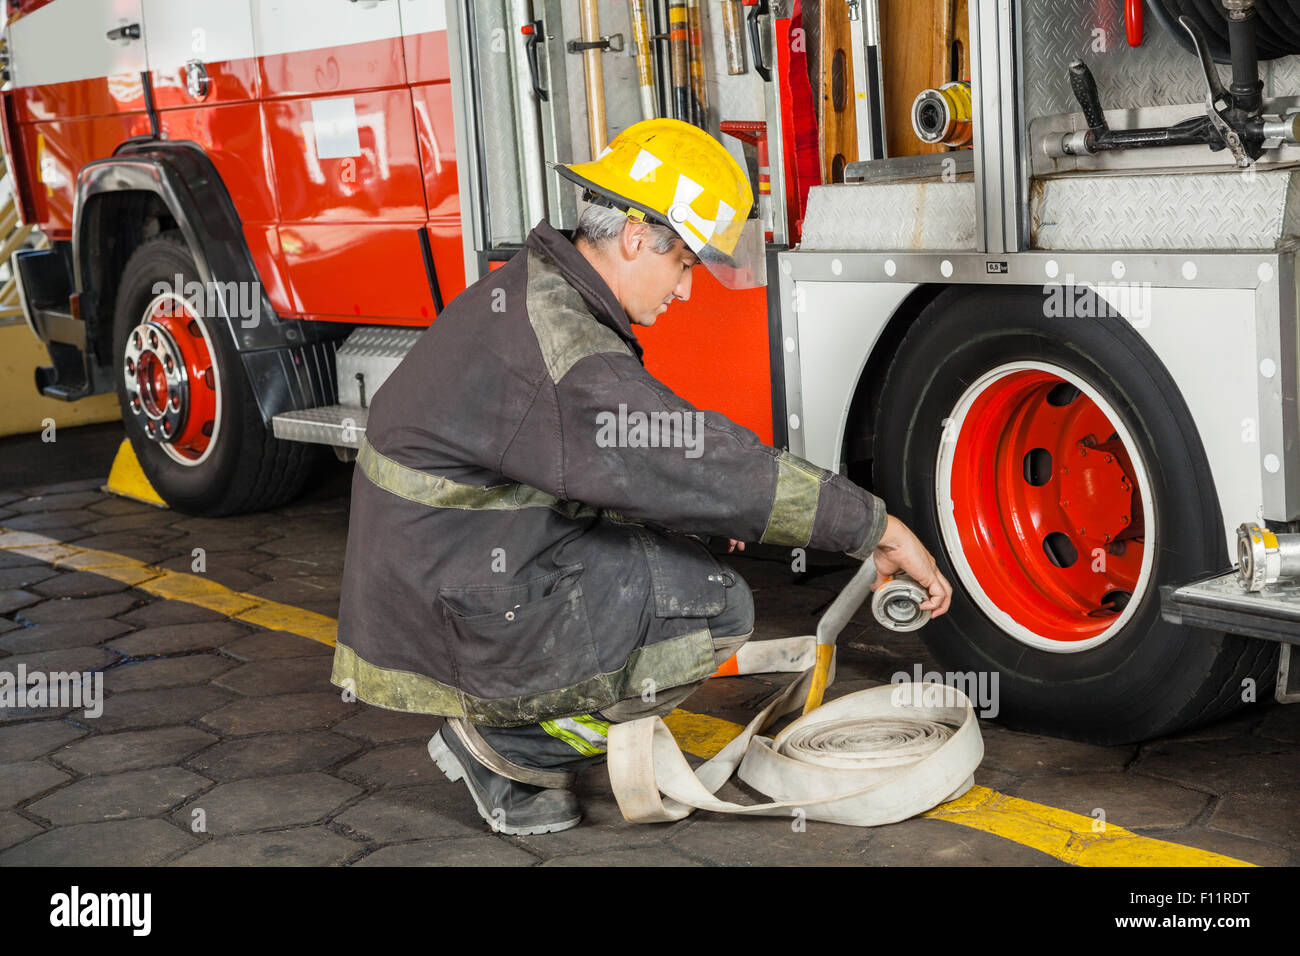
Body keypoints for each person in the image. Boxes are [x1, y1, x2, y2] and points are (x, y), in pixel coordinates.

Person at [332, 119, 951, 835]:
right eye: (684, 262)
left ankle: (511, 722)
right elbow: (696, 460)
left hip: (438, 569)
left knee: (679, 547)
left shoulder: (542, 293)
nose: (686, 290)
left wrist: (694, 508)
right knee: (710, 608)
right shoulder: (566, 348)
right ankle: (509, 744)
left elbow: (626, 465)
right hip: (448, 598)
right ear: (634, 235)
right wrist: (873, 527)